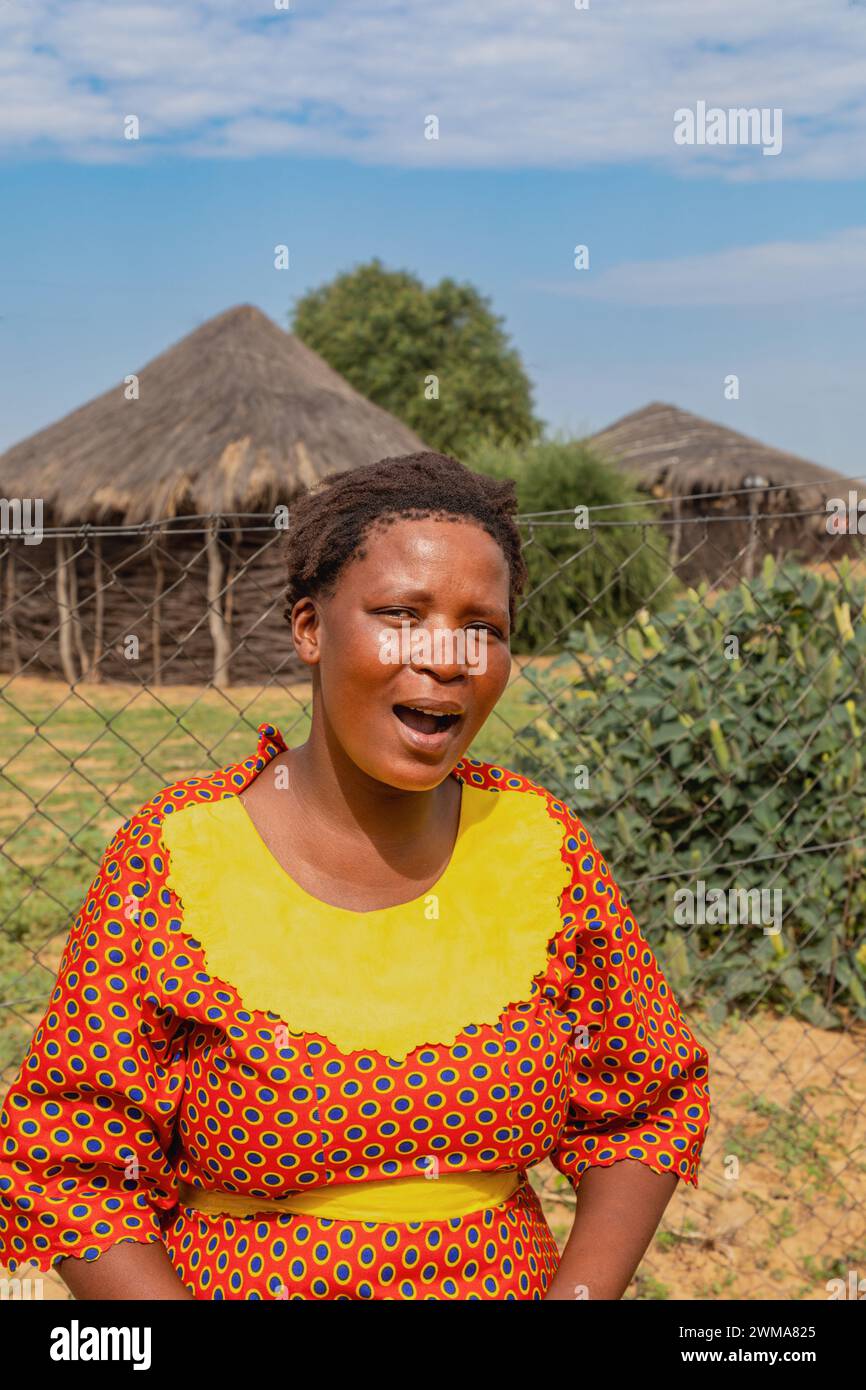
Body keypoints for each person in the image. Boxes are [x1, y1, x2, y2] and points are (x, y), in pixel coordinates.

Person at [0, 450, 710, 1300]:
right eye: (403, 615)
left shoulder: (539, 848)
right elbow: (73, 1163)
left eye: (482, 626)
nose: (448, 658)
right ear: (308, 627)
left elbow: (647, 1099)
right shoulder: (176, 859)